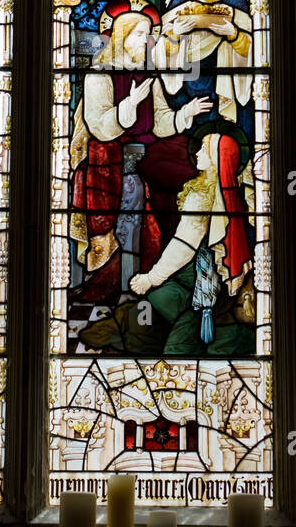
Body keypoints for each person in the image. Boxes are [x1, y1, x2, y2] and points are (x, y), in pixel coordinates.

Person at [69, 2, 211, 304]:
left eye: (148, 35)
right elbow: (100, 129)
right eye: (138, 35)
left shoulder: (148, 75)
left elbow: (159, 121)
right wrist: (130, 104)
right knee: (146, 187)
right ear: (121, 37)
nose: (146, 42)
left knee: (192, 175)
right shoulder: (98, 76)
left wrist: (184, 114)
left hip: (148, 150)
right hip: (116, 154)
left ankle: (182, 266)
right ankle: (132, 272)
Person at [80, 130, 256, 357]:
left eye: (204, 149)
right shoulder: (230, 191)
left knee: (175, 344)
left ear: (216, 159)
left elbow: (184, 245)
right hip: (210, 286)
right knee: (153, 310)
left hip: (200, 289)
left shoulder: (203, 195)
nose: (198, 153)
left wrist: (150, 279)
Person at [152, 0, 253, 135]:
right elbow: (159, 50)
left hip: (223, 78)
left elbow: (254, 47)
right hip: (186, 80)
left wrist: (232, 34)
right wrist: (175, 34)